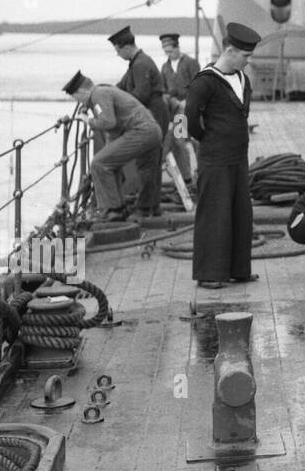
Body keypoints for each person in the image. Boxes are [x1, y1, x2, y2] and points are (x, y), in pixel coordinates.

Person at [181, 22, 261, 289]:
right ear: (229, 50)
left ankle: (239, 269)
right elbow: (189, 116)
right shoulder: (205, 82)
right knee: (214, 214)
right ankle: (209, 274)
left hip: (238, 157)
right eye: (245, 56)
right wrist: (204, 138)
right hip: (214, 158)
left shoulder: (241, 79)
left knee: (240, 213)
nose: (248, 62)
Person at [63, 71, 163, 222]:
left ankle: (113, 209)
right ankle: (126, 207)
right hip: (151, 131)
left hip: (141, 132)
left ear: (82, 91)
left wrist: (87, 120)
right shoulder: (104, 92)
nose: (78, 101)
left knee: (99, 163)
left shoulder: (98, 94)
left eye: (75, 97)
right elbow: (113, 131)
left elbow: (108, 122)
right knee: (110, 164)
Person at [108, 25, 170, 217]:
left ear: (126, 47)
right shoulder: (136, 63)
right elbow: (121, 86)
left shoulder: (140, 64)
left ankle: (144, 208)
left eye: (118, 50)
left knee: (146, 162)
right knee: (152, 162)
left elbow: (140, 94)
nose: (117, 55)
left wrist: (118, 106)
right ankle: (153, 206)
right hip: (153, 113)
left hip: (152, 114)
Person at [159, 32, 200, 184]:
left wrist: (187, 101)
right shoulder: (165, 67)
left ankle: (191, 174)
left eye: (170, 51)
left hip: (190, 108)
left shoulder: (190, 63)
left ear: (177, 48)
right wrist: (171, 100)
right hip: (175, 110)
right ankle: (187, 173)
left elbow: (199, 86)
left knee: (182, 140)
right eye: (166, 52)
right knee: (180, 140)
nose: (168, 54)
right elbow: (163, 90)